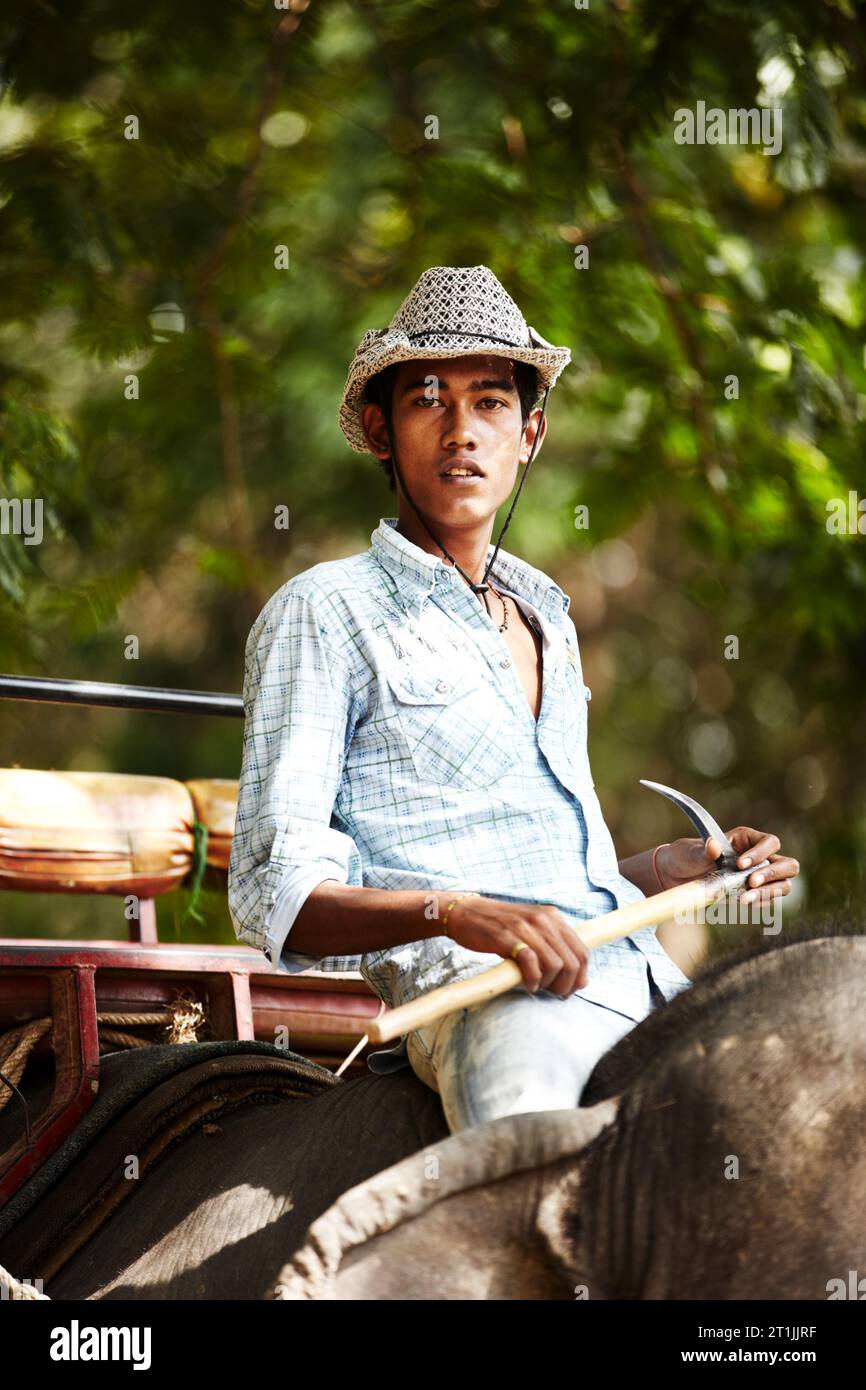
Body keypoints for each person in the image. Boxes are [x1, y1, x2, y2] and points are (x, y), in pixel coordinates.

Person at [227, 264, 799, 1134]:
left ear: (529, 434)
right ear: (381, 429)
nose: (463, 431)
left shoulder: (548, 621)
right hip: (486, 1007)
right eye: (429, 400)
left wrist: (669, 872)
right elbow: (275, 895)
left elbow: (558, 885)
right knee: (524, 1186)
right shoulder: (322, 611)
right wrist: (457, 914)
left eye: (490, 403)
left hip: (643, 984)